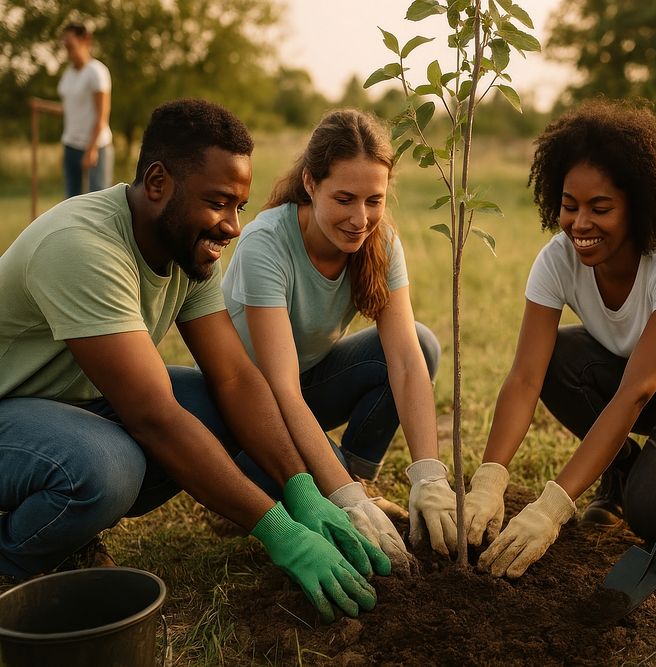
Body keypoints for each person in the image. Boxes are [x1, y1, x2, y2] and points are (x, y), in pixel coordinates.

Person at [0, 99, 392, 623]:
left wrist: (302, 489)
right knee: (108, 465)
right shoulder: (83, 247)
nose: (231, 226)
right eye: (218, 202)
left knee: (214, 405)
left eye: (240, 206)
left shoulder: (186, 247)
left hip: (66, 409)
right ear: (158, 182)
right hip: (11, 412)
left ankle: (72, 534)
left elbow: (235, 378)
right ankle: (13, 558)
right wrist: (278, 530)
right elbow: (153, 417)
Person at [422, 99, 656, 578]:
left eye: (601, 208)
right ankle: (619, 469)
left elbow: (635, 392)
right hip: (628, 376)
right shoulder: (559, 258)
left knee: (650, 515)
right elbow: (526, 376)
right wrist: (490, 477)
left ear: (638, 204)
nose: (580, 224)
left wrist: (553, 506)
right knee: (558, 356)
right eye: (570, 206)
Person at [221, 109, 453, 570]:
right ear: (310, 183)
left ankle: (358, 480)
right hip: (250, 406)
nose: (359, 218)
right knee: (310, 505)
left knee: (421, 344)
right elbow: (280, 388)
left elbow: (406, 361)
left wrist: (429, 473)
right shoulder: (267, 243)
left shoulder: (381, 243)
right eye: (344, 199)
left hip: (311, 386)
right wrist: (340, 494)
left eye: (374, 200)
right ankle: (342, 489)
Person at [29, 22, 114, 199]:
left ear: (86, 41)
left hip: (96, 146)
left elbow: (102, 113)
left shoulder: (97, 72)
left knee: (98, 201)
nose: (68, 52)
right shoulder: (68, 74)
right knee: (71, 202)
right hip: (71, 146)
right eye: (65, 47)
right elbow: (68, 109)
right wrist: (41, 106)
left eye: (71, 46)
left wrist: (91, 149)